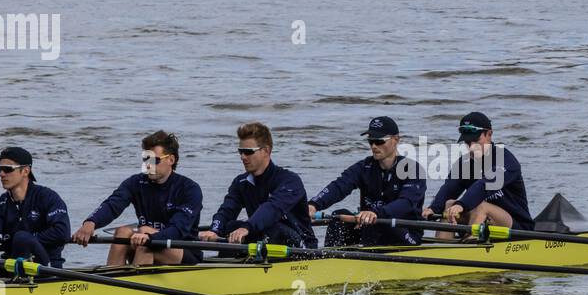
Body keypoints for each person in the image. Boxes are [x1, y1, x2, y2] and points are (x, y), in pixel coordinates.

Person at [71, 131, 202, 266]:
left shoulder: (189, 189)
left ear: (171, 160)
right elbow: (112, 205)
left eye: (155, 160)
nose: (148, 165)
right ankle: (112, 279)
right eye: (146, 159)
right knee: (122, 232)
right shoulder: (136, 183)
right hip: (145, 239)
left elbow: (178, 229)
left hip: (183, 249)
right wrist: (90, 223)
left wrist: (151, 237)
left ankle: (132, 283)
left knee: (145, 243)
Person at [307, 116, 426, 246]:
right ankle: (330, 257)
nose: (374, 146)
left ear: (396, 139)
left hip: (405, 232)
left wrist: (376, 213)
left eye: (379, 141)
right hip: (369, 228)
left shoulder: (412, 169)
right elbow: (339, 186)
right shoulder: (364, 167)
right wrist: (314, 205)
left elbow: (406, 203)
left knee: (377, 220)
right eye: (371, 141)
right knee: (339, 216)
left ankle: (363, 257)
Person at [200, 122, 317, 250]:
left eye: (248, 152)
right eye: (240, 151)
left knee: (273, 227)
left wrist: (247, 227)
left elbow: (272, 209)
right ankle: (227, 266)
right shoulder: (241, 182)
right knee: (231, 226)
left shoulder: (290, 181)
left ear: (266, 151)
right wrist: (214, 230)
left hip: (302, 247)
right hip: (265, 239)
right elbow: (227, 210)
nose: (242, 157)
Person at [0, 146, 71, 282]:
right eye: (0, 169)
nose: (2, 174)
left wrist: (29, 239)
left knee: (22, 238)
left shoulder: (47, 197)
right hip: (13, 265)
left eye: (8, 169)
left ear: (25, 171)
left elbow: (62, 232)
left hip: (46, 266)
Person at [424, 111, 533, 232]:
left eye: (476, 141)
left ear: (489, 134)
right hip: (484, 221)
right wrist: (433, 208)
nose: (471, 147)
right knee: (449, 204)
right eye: (467, 142)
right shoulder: (465, 163)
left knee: (480, 206)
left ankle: (471, 243)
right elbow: (449, 188)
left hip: (517, 226)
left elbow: (484, 185)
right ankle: (443, 247)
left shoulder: (505, 160)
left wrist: (462, 205)